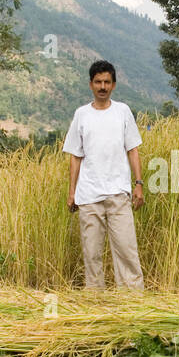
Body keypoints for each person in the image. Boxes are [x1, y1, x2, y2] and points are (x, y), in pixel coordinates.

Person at [63, 60, 145, 290]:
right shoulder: (81, 115)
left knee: (127, 252)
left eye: (107, 82)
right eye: (98, 82)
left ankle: (133, 307)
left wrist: (138, 184)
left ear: (114, 85)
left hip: (119, 194)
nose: (102, 86)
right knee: (92, 255)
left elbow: (133, 149)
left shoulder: (123, 112)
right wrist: (72, 193)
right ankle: (96, 307)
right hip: (89, 197)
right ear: (90, 84)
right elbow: (75, 157)